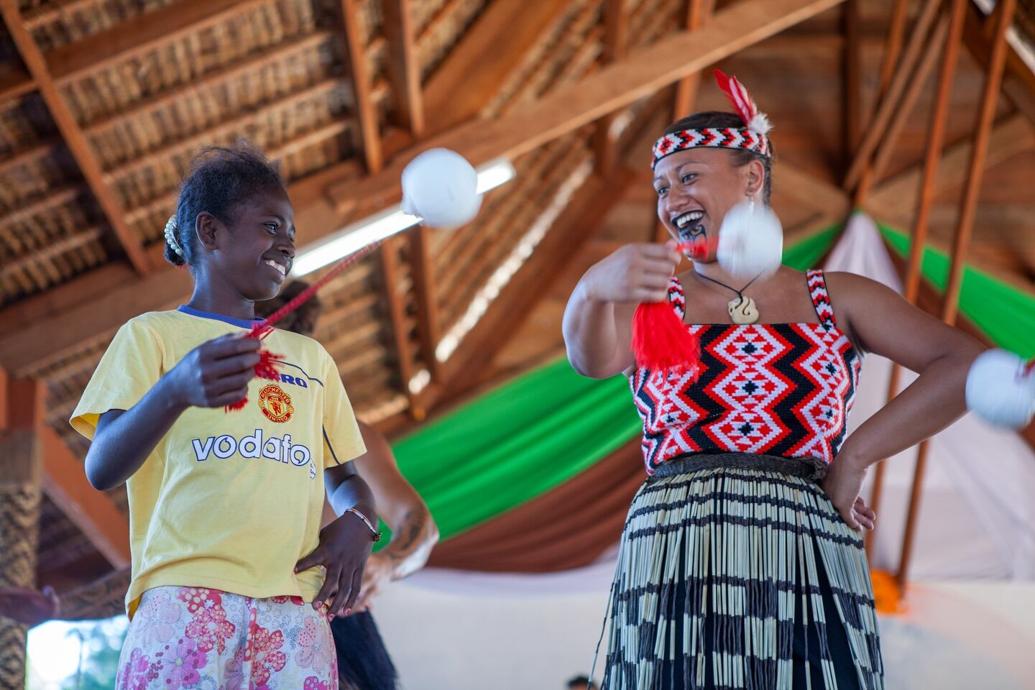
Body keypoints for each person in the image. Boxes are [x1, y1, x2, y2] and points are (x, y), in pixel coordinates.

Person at [562, 73, 983, 689]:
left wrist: (854, 457)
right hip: (679, 548)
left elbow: (965, 365)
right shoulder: (652, 302)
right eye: (661, 187)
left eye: (688, 176)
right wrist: (590, 290)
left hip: (804, 545)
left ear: (752, 177)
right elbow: (590, 360)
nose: (671, 198)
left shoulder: (836, 297)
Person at [3, 279, 438, 690]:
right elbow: (163, 560)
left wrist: (385, 564)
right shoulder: (185, 410)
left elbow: (420, 527)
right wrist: (63, 607)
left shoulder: (345, 434)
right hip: (206, 614)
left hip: (321, 619)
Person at [69, 145, 378, 688]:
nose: (287, 243)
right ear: (210, 232)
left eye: (292, 233)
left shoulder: (311, 360)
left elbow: (346, 479)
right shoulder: (151, 336)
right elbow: (101, 467)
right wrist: (176, 390)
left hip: (293, 607)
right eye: (271, 226)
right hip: (185, 598)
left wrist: (361, 521)